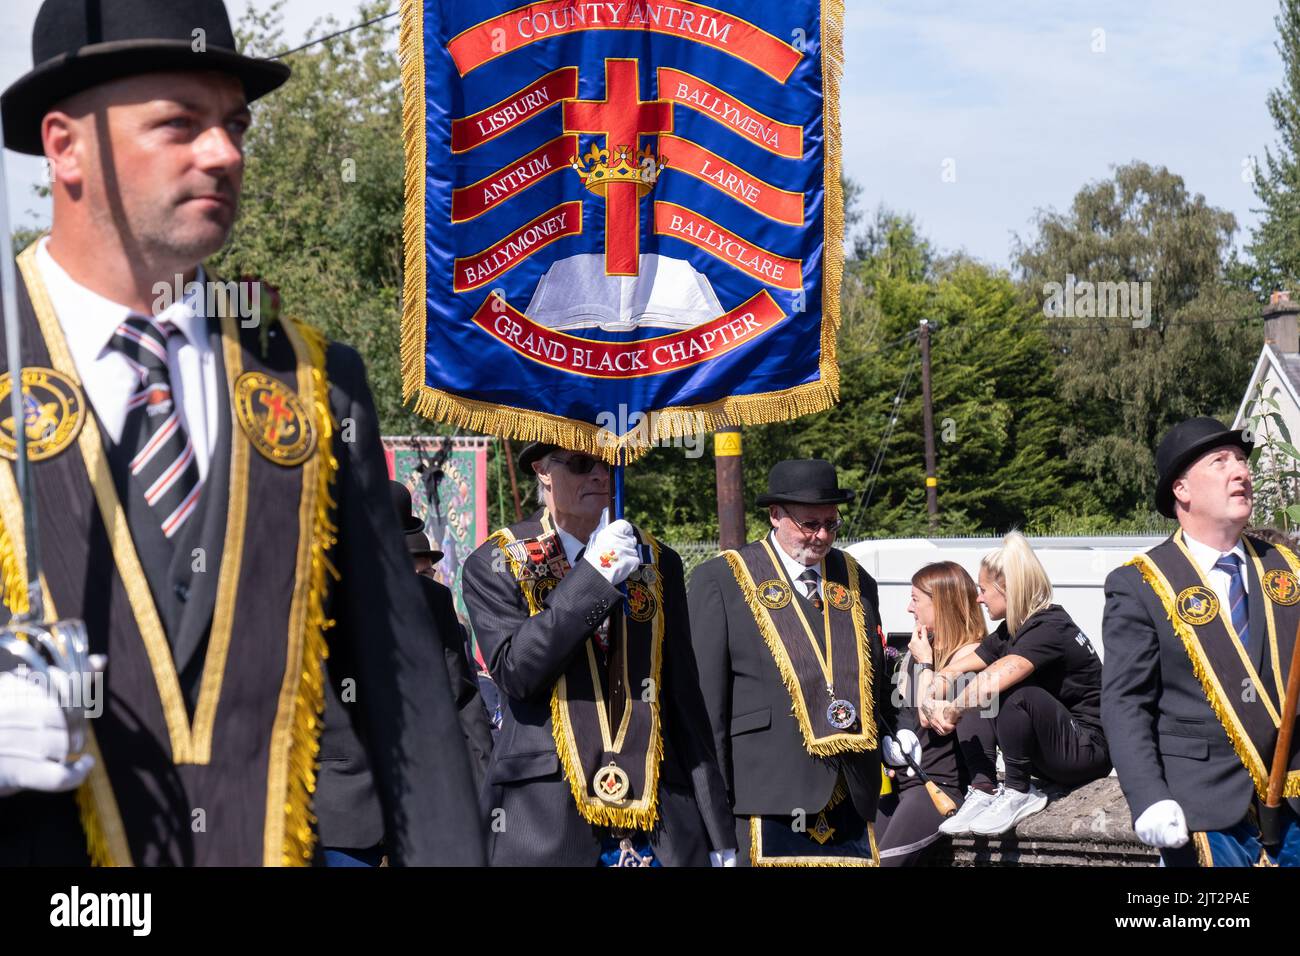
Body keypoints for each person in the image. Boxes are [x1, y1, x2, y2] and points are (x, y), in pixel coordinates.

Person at [0, 0, 483, 865]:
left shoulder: (310, 376)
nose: (224, 153)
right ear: (66, 145)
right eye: (179, 124)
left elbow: (403, 688)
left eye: (233, 124)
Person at [461, 442, 734, 866]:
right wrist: (595, 575)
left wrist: (719, 832)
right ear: (542, 471)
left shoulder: (658, 559)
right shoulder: (497, 560)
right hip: (548, 817)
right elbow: (518, 672)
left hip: (660, 816)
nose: (599, 475)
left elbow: (685, 704)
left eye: (609, 463)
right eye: (581, 463)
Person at [1103, 417, 1300, 866]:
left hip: (1294, 800)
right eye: (1220, 461)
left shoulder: (1287, 568)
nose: (1241, 472)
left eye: (1242, 461)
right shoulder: (1140, 584)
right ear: (1182, 490)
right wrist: (1147, 795)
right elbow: (1125, 703)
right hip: (1204, 808)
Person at [688, 459, 893, 865]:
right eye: (810, 524)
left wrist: (896, 729)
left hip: (851, 797)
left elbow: (876, 680)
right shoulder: (722, 580)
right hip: (765, 798)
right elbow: (705, 714)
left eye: (831, 524)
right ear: (776, 515)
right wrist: (713, 826)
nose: (821, 536)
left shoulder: (857, 581)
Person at [926, 532, 1110, 837]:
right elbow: (961, 668)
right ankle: (984, 787)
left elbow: (990, 683)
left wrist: (953, 710)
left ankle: (1018, 790)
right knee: (972, 684)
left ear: (1007, 589)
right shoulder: (1012, 630)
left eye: (983, 590)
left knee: (1012, 692)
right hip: (1056, 750)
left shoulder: (1049, 628)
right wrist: (936, 688)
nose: (978, 598)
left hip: (1088, 752)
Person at [875, 562, 985, 865]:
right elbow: (906, 717)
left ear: (941, 603)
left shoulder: (972, 654)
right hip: (903, 785)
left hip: (939, 787)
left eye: (916, 599)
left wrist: (925, 664)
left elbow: (929, 716)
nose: (910, 608)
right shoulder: (920, 650)